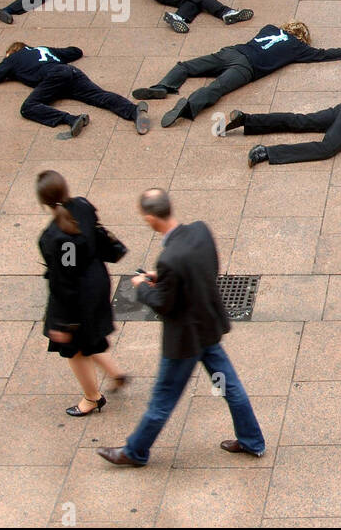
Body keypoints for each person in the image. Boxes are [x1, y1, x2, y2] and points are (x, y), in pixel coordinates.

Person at [97, 189, 265, 466]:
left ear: (150, 218)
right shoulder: (200, 231)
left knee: (163, 399)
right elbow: (205, 269)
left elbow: (164, 304)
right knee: (230, 386)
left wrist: (142, 287)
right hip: (207, 326)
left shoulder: (170, 258)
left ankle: (135, 451)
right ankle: (252, 441)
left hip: (185, 341)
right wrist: (162, 277)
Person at [133, 22, 341, 128]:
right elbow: (325, 54)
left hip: (232, 52)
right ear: (303, 37)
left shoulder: (269, 28)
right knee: (216, 88)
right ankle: (188, 107)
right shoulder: (298, 48)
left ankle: (164, 86)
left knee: (187, 66)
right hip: (247, 68)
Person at [36, 170, 127, 418]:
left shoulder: (53, 237)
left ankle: (91, 398)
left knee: (74, 349)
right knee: (89, 337)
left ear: (43, 201)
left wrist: (61, 323)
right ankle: (115, 372)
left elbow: (64, 283)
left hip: (77, 296)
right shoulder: (83, 206)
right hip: (97, 280)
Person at [0, 41, 149, 139]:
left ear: (12, 52)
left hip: (53, 78)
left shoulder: (11, 59)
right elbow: (76, 51)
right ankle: (133, 110)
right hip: (69, 72)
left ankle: (71, 119)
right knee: (98, 96)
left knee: (28, 107)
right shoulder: (42, 49)